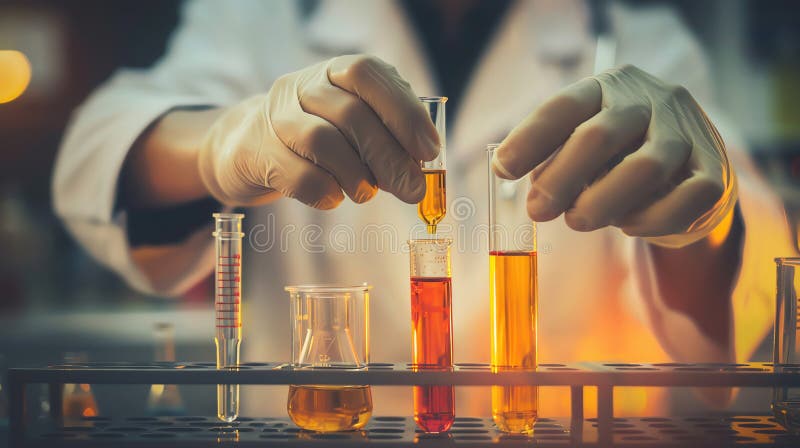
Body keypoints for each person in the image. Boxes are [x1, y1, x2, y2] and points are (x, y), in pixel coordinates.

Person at [53, 0, 793, 417]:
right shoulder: (259, 20)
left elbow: (746, 297)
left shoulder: (632, 36)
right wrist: (218, 142)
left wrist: (711, 216)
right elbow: (96, 152)